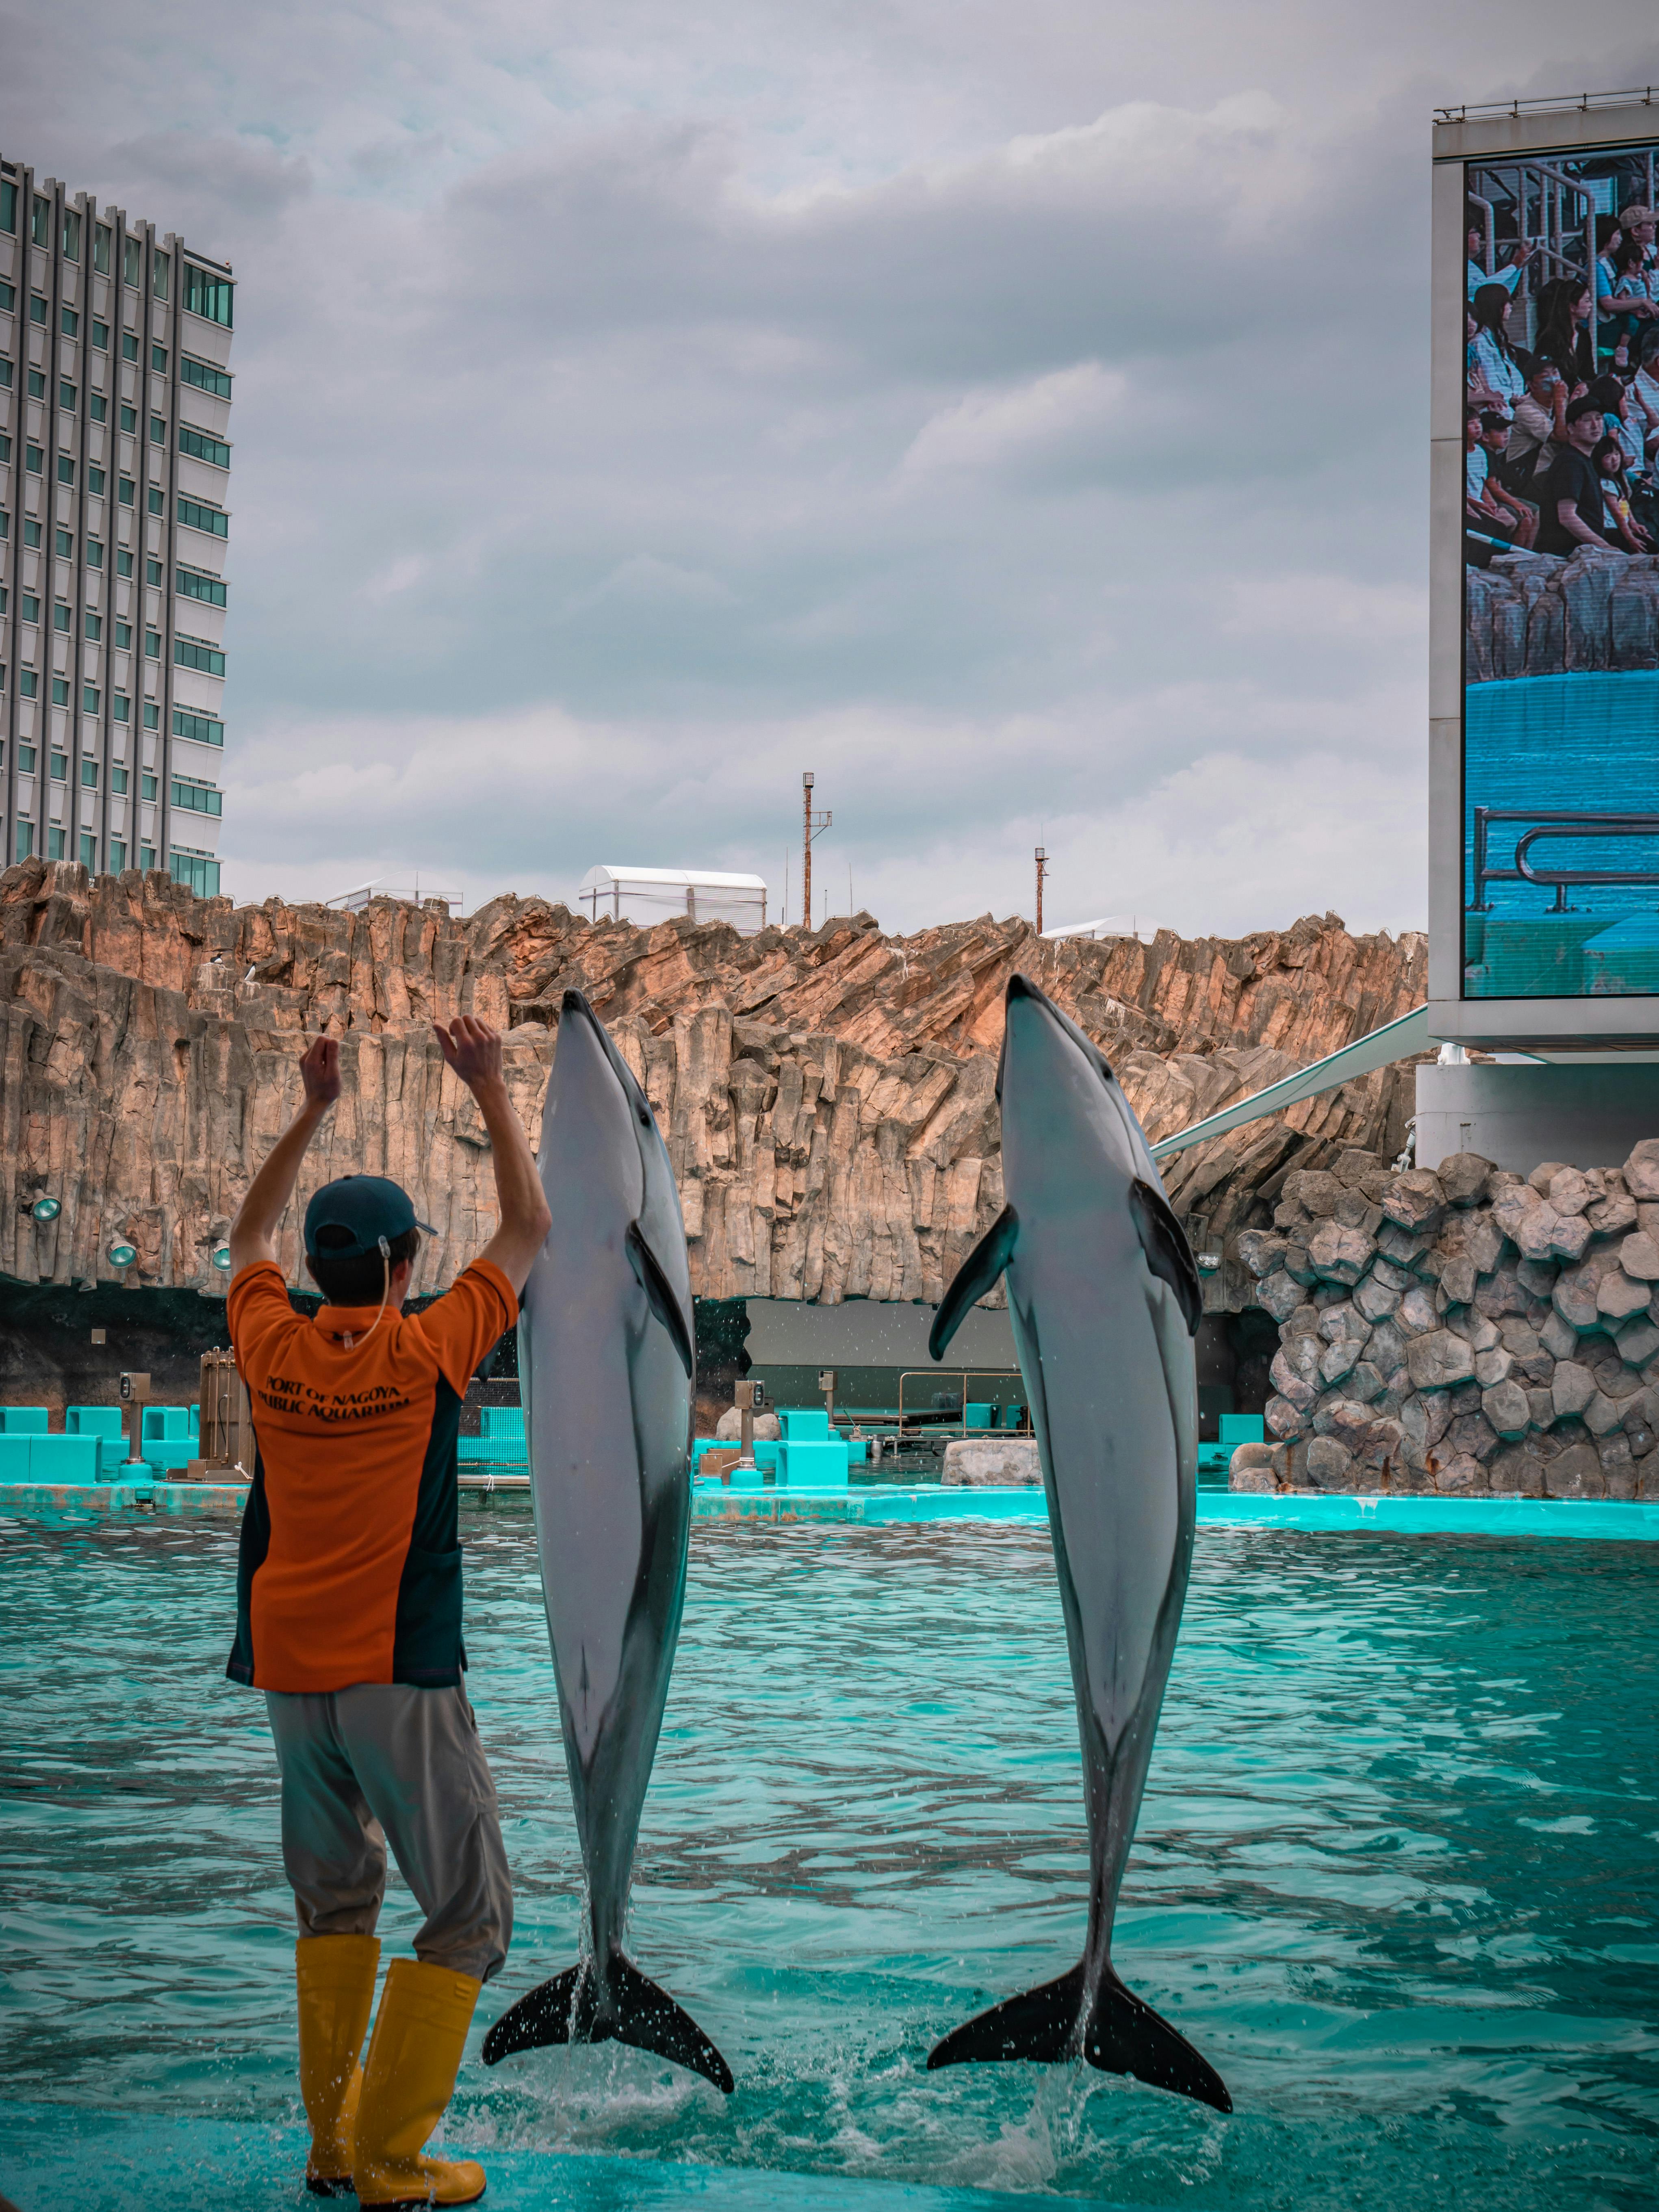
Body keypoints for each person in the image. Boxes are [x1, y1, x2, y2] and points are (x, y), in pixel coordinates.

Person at [224, 1015, 551, 2208]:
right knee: (470, 1912)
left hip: (289, 1679)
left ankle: (328, 2142)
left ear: (320, 1265)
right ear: (408, 1261)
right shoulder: (424, 1352)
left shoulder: (267, 1339)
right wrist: (491, 1087)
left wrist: (309, 1107)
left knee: (334, 1899)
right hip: (395, 1678)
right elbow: (528, 1229)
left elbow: (246, 1231)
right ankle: (393, 2157)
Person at [1536, 396, 1622, 555]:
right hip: (1567, 554)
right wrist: (1606, 547)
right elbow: (1567, 517)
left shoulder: (1583, 460)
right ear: (1571, 428)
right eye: (1587, 420)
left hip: (1584, 551)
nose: (1596, 426)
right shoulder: (1571, 463)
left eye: (1599, 419)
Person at [1465, 411, 1537, 546]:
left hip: (1483, 501)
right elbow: (1491, 484)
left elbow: (1483, 484)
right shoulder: (1479, 453)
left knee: (1524, 517)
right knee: (1507, 523)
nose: (1506, 435)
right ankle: (1509, 556)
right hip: (1472, 504)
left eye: (1478, 423)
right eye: (1471, 424)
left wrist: (1490, 502)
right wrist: (1515, 504)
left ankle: (1525, 555)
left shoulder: (1480, 452)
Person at [1467, 283, 1528, 416]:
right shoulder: (1480, 342)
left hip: (1512, 399)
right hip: (1497, 403)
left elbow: (1513, 374)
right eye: (1507, 301)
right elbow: (1491, 382)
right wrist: (1511, 397)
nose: (1511, 306)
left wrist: (1518, 395)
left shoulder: (1498, 337)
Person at [1503, 359, 1566, 485]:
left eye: (1555, 372)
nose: (1554, 379)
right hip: (1526, 477)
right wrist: (1559, 400)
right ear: (1531, 385)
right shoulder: (1526, 411)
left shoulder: (1562, 400)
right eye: (1545, 376)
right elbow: (1561, 437)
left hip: (1553, 471)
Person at [1532, 275, 1595, 391]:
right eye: (1587, 301)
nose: (1591, 305)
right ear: (1572, 307)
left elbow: (1588, 373)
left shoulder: (1583, 335)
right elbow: (1544, 377)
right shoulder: (1550, 338)